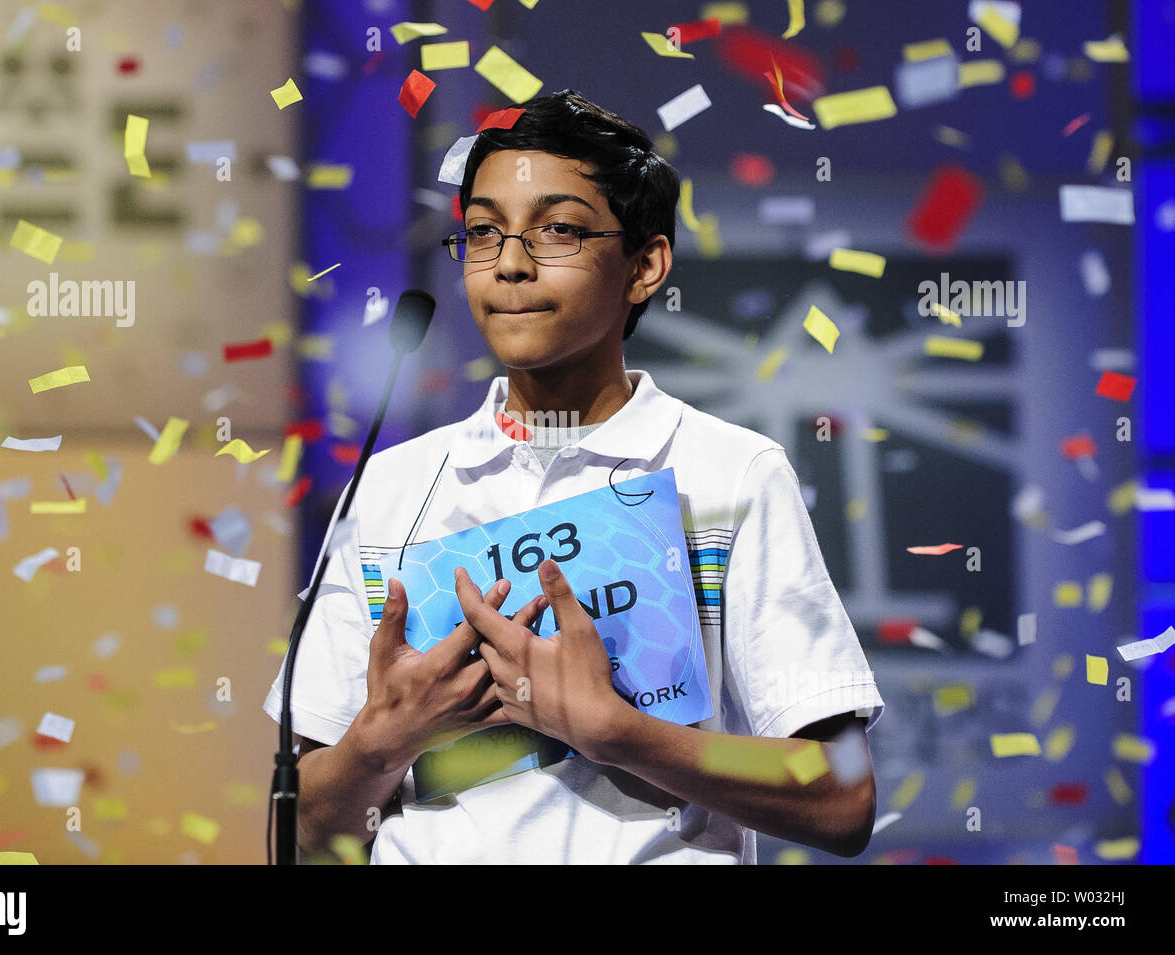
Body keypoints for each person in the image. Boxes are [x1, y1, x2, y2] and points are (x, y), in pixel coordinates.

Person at [263, 89, 885, 864]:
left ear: (645, 265)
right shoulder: (388, 489)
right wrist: (378, 744)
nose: (511, 263)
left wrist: (618, 732)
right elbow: (295, 836)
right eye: (483, 232)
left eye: (557, 229)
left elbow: (840, 793)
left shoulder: (731, 473)